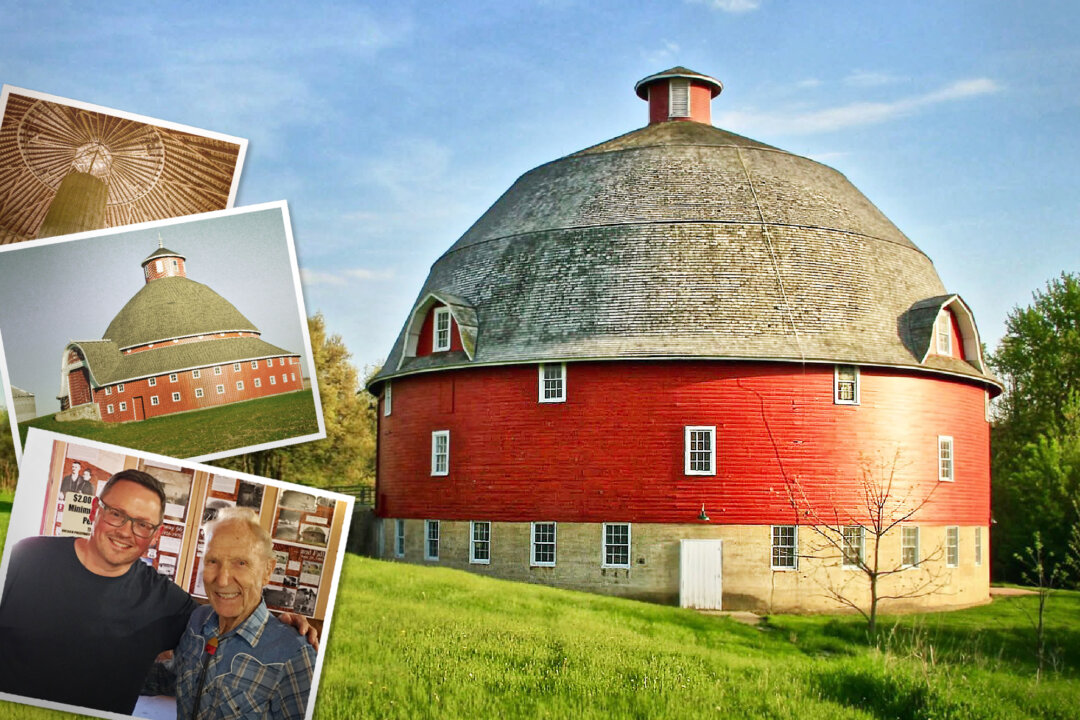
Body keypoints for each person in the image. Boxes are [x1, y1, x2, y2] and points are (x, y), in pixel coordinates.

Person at [0, 470, 315, 715]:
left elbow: (229, 623)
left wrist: (280, 625)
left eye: (142, 524)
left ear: (155, 534)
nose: (126, 531)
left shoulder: (171, 605)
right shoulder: (23, 557)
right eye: (117, 514)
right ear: (98, 509)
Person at [174, 508, 315, 720]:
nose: (222, 580)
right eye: (213, 561)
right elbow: (175, 678)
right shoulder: (198, 621)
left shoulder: (295, 656)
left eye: (241, 563)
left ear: (267, 571)